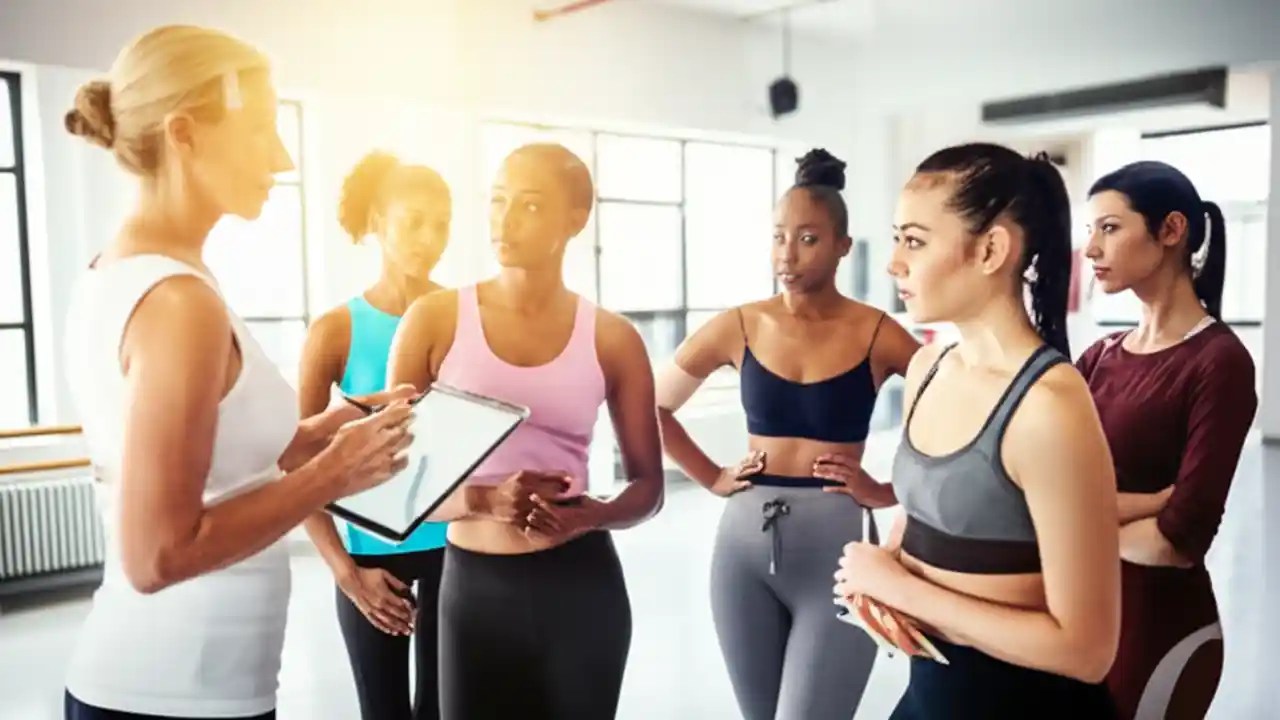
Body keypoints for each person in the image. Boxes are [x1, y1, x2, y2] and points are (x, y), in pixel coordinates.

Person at [59, 25, 415, 720]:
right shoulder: (177, 303)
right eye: (260, 130)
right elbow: (157, 554)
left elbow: (220, 460)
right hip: (169, 698)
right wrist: (331, 474)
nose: (281, 157)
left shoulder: (129, 274)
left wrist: (325, 430)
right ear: (185, 134)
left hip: (185, 691)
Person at [834, 143, 1121, 719]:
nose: (894, 262)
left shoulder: (1049, 408)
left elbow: (1088, 650)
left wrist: (904, 591)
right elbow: (916, 519)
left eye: (914, 240)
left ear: (991, 249)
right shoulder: (926, 368)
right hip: (927, 701)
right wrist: (882, 572)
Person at [386, 142, 665, 719]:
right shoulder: (433, 320)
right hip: (473, 590)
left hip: (581, 587)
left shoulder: (612, 338)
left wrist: (593, 513)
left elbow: (648, 488)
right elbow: (391, 483)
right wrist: (484, 500)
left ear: (575, 220)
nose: (504, 220)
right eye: (497, 201)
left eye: (530, 206)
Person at [653, 148, 918, 720]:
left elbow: (955, 423)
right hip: (740, 551)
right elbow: (652, 408)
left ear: (843, 245)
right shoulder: (741, 324)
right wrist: (711, 475)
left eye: (807, 238)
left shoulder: (877, 332)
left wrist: (886, 489)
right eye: (779, 236)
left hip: (836, 548)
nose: (787, 253)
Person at [1075, 160, 1255, 720]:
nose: (1090, 249)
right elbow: (1026, 495)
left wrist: (1074, 523)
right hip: (1080, 626)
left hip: (1158, 637)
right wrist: (1147, 505)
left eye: (1109, 228)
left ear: (1171, 231)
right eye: (1090, 231)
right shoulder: (1099, 358)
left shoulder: (1219, 362)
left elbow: (1180, 536)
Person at [296, 151, 453, 720]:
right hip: (368, 561)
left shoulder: (461, 317)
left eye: (441, 223)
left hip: (453, 555)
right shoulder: (336, 330)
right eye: (414, 221)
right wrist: (346, 572)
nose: (429, 238)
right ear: (379, 223)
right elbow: (298, 464)